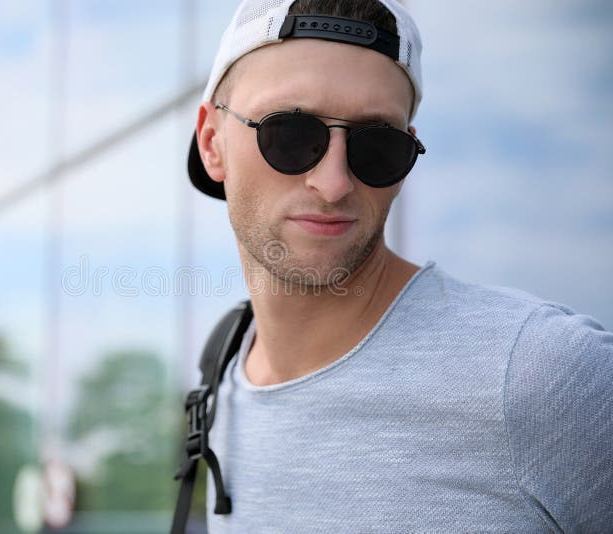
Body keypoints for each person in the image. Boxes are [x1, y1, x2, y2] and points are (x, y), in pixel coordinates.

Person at [175, 0, 613, 532]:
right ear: (211, 143)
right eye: (290, 134)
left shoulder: (546, 376)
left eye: (376, 145)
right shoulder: (223, 377)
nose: (334, 183)